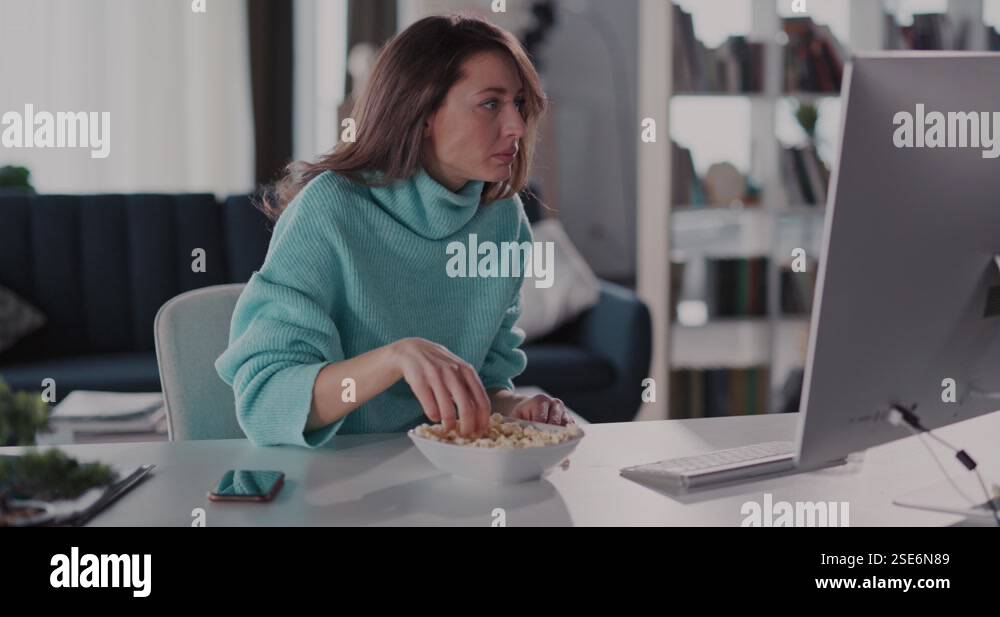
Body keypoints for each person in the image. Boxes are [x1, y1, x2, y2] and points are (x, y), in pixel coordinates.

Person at [215, 15, 571, 448]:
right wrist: (395, 358)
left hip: (438, 480)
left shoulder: (503, 219)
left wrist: (515, 408)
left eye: (519, 103)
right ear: (422, 114)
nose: (517, 126)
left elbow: (484, 384)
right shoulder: (331, 209)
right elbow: (266, 400)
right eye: (491, 104)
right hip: (333, 482)